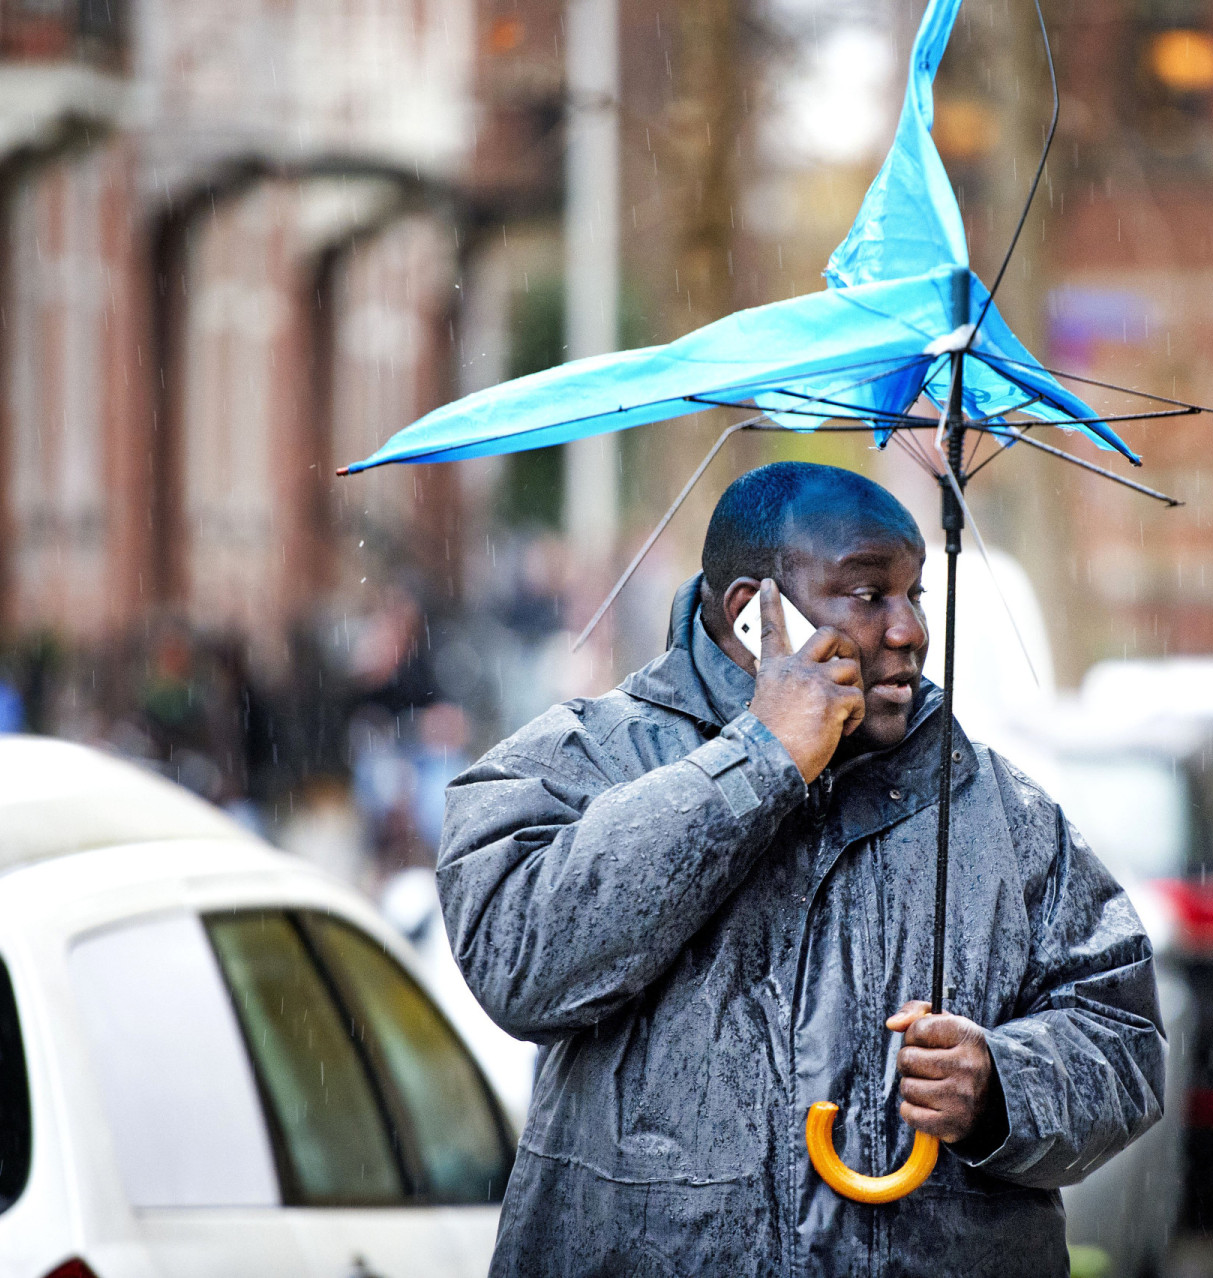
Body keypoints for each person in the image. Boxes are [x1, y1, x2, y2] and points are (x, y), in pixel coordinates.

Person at [440, 461, 1164, 1276]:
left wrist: (1003, 1085)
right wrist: (760, 760)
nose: (909, 631)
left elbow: (1124, 1037)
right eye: (867, 595)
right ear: (755, 615)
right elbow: (521, 962)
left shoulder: (998, 808)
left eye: (914, 593)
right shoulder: (580, 762)